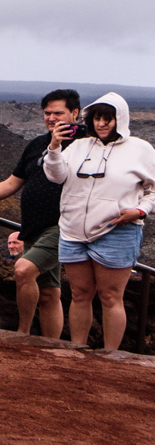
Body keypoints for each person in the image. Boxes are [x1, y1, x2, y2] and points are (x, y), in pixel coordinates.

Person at [0, 89, 81, 340]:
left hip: (63, 225)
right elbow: (12, 183)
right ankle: (50, 346)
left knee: (23, 269)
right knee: (49, 292)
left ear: (74, 113)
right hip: (34, 226)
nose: (51, 118)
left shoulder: (85, 145)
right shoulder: (37, 144)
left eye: (58, 113)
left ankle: (22, 334)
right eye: (47, 113)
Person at [46, 92, 155, 351]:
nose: (102, 124)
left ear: (121, 119)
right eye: (97, 118)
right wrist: (53, 148)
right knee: (80, 295)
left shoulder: (140, 149)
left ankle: (110, 356)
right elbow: (56, 176)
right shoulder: (80, 146)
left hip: (117, 232)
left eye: (108, 118)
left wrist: (140, 211)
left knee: (110, 297)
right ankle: (77, 350)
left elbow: (153, 190)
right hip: (73, 231)